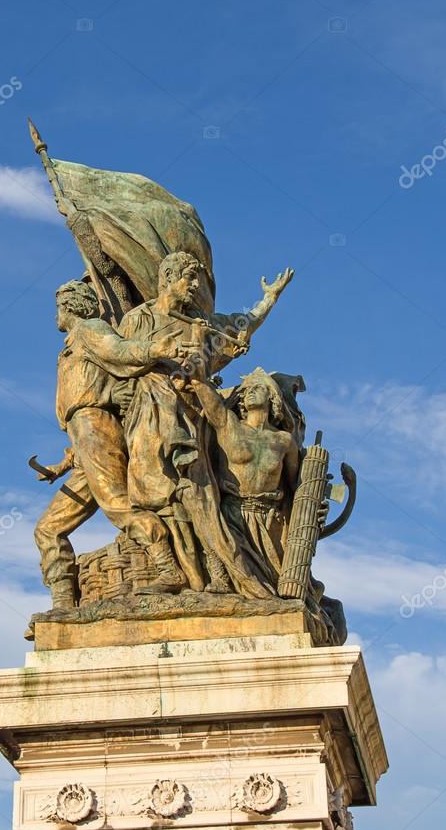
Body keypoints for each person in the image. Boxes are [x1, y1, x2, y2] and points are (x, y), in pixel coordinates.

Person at [115, 252, 294, 595]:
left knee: (197, 495)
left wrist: (269, 299)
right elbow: (119, 357)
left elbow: (243, 323)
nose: (196, 285)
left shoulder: (200, 321)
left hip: (190, 418)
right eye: (190, 277)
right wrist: (157, 351)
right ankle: (174, 570)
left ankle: (218, 573)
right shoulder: (139, 319)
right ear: (168, 277)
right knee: (151, 494)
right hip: (148, 413)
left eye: (197, 278)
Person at [33, 280, 184, 609]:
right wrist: (64, 463)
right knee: (48, 528)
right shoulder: (72, 344)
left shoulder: (89, 330)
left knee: (118, 506)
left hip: (96, 428)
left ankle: (168, 568)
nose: (56, 315)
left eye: (58, 307)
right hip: (82, 439)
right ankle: (63, 604)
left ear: (71, 306)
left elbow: (120, 351)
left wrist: (158, 349)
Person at [190, 367, 299, 588]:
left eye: (258, 388)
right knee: (244, 579)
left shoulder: (284, 441)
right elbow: (207, 397)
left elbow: (295, 486)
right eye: (247, 389)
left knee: (276, 584)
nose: (250, 392)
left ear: (273, 398)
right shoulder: (230, 425)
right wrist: (194, 372)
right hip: (232, 516)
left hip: (270, 521)